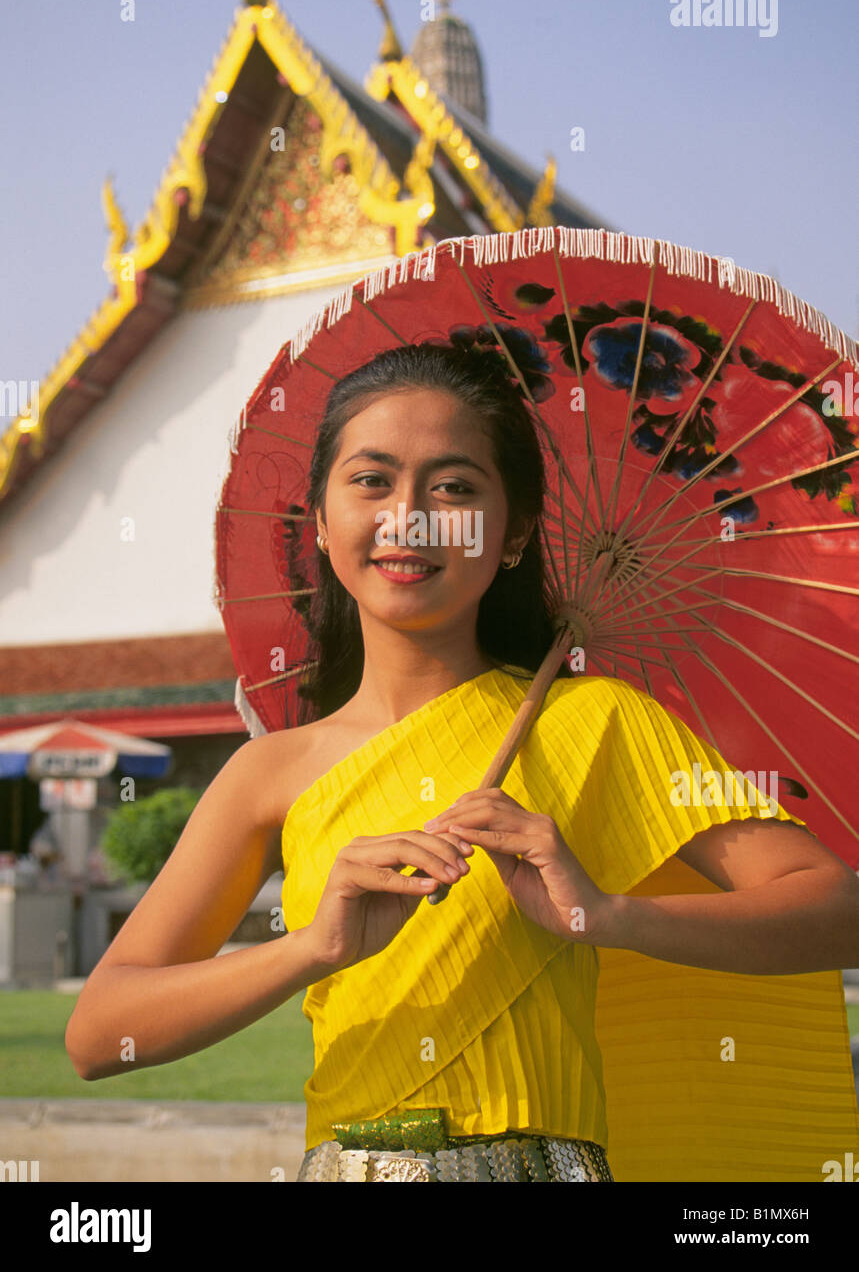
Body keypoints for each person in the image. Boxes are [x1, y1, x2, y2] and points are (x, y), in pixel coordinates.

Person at [65, 338, 859, 1183]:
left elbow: (835, 910)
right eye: (371, 481)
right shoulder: (270, 774)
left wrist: (607, 914)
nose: (407, 517)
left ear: (511, 530)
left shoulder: (596, 720)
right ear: (322, 522)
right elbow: (99, 1033)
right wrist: (313, 948)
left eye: (452, 488)